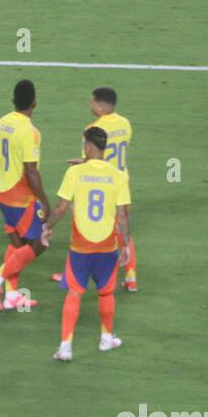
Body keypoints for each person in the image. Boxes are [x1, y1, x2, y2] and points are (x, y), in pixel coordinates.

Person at [43, 126, 131, 360]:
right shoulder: (119, 176)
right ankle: (105, 339)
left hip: (80, 247)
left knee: (74, 292)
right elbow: (122, 216)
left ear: (88, 146)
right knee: (106, 293)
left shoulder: (74, 173)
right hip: (107, 246)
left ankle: (65, 347)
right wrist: (125, 246)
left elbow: (61, 208)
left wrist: (47, 227)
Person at [53, 86, 138, 291]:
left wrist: (81, 163)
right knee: (121, 227)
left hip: (101, 183)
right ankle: (131, 277)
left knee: (82, 223)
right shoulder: (125, 124)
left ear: (100, 106)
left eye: (92, 102)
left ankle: (71, 274)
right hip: (121, 181)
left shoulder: (93, 129)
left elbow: (93, 158)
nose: (90, 104)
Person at [0, 80, 48, 311]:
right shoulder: (31, 132)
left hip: (3, 192)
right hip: (22, 198)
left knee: (18, 245)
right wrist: (45, 202)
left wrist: (1, 183)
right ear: (34, 103)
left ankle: (11, 296)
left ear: (13, 101)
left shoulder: (2, 123)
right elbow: (31, 171)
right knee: (42, 242)